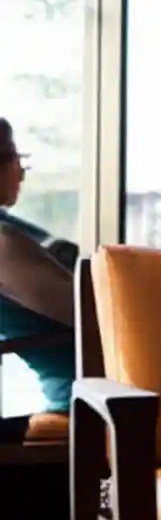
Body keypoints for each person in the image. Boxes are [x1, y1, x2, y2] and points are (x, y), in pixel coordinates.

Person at [0, 118, 76, 444]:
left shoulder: (8, 229)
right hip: (94, 391)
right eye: (16, 157)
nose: (21, 170)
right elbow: (91, 312)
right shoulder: (4, 244)